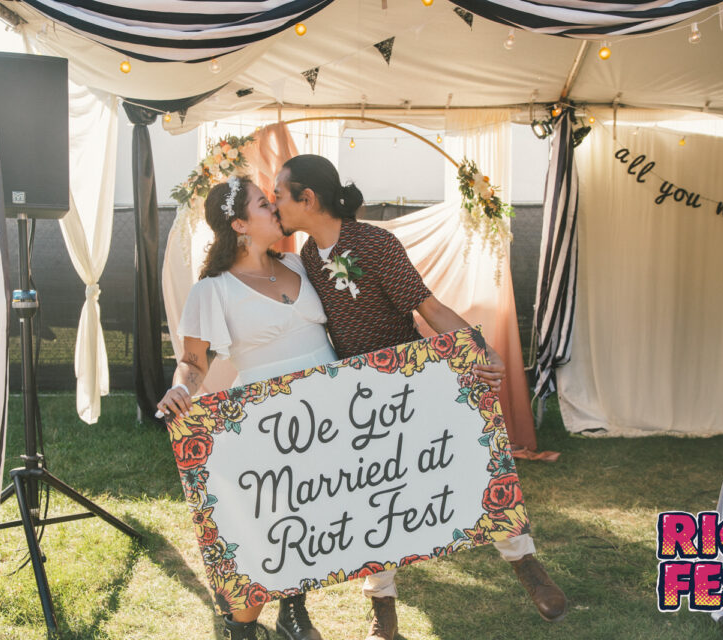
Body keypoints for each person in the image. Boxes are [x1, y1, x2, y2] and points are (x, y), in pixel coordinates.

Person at [273, 154, 567, 640]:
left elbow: (428, 307)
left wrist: (481, 349)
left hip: (415, 383)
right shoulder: (305, 256)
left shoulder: (375, 242)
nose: (276, 202)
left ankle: (525, 564)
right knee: (368, 498)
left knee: (469, 467)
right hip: (356, 398)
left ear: (308, 198)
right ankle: (382, 610)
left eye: (280, 193)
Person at [157, 176, 331, 640]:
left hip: (331, 415)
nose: (275, 207)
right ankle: (241, 627)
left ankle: (294, 609)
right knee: (271, 523)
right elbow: (193, 364)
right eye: (263, 203)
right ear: (239, 224)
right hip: (269, 420)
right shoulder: (212, 290)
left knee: (313, 514)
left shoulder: (300, 262)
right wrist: (181, 390)